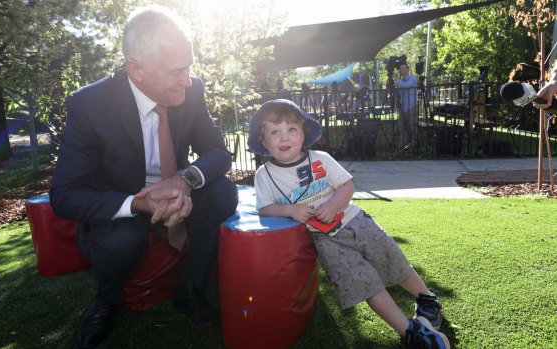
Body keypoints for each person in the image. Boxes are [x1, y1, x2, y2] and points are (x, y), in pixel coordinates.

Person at [50, 6, 238, 349]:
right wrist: (136, 202)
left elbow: (218, 152)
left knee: (224, 193)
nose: (187, 79)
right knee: (123, 240)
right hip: (123, 205)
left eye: (189, 67)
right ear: (135, 69)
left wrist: (185, 180)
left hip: (180, 192)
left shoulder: (191, 90)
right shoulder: (89, 105)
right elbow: (65, 194)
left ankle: (191, 288)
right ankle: (107, 298)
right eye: (176, 71)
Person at [247, 99, 449, 349]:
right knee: (363, 282)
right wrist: (289, 209)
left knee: (392, 260)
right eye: (274, 131)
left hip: (357, 223)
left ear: (303, 133)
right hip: (325, 241)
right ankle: (409, 331)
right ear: (264, 141)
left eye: (292, 129)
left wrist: (332, 205)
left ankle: (427, 298)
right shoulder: (264, 175)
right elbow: (265, 208)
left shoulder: (320, 158)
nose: (284, 137)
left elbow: (346, 185)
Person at [396, 63, 419, 151]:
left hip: (412, 106)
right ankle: (404, 144)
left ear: (407, 70)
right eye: (400, 68)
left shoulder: (412, 79)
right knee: (401, 126)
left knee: (413, 126)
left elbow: (406, 86)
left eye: (403, 68)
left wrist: (396, 80)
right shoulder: (402, 81)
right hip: (403, 107)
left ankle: (415, 144)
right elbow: (400, 93)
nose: (401, 70)